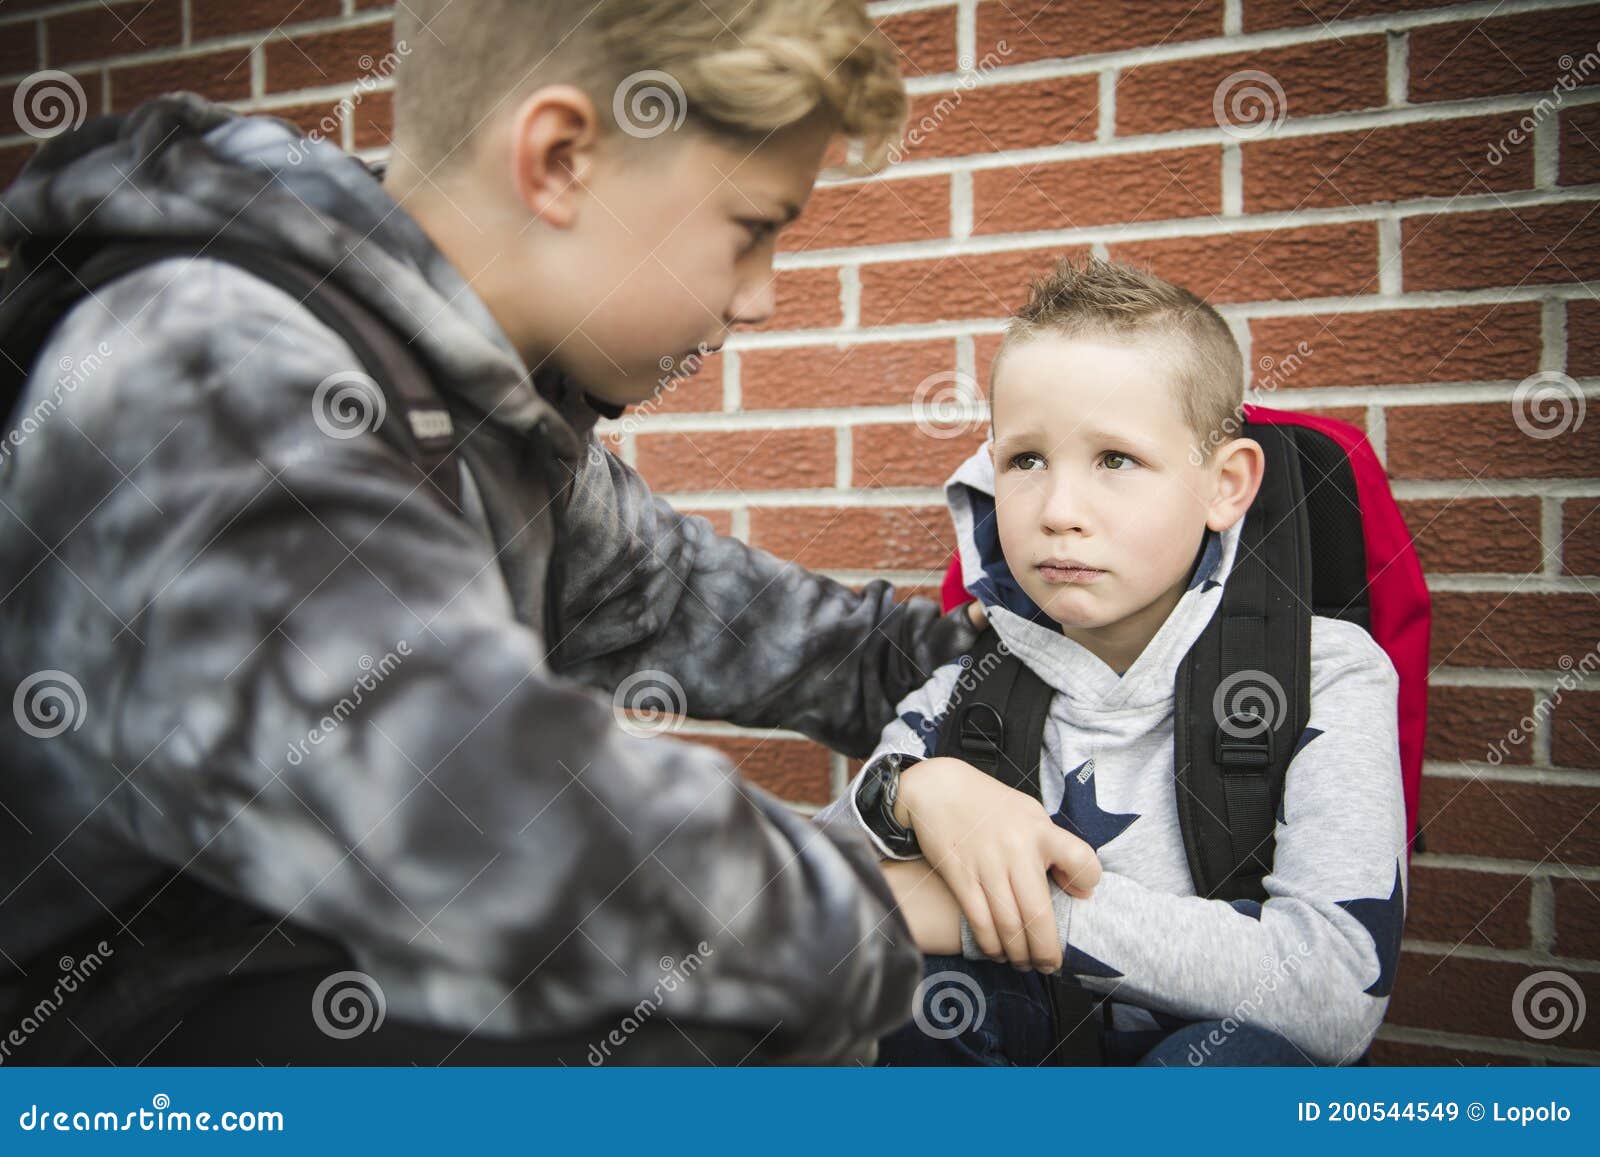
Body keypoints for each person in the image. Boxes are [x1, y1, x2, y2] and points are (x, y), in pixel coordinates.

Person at [0, 0, 982, 1065]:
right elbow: (475, 809)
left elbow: (781, 631)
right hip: (100, 1058)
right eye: (752, 229)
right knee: (723, 1012)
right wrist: (880, 908)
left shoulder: (500, 432)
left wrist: (1057, 680)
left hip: (307, 996)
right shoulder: (199, 364)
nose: (759, 301)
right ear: (560, 158)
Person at [822, 257, 1408, 1066]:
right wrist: (914, 789)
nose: (1060, 512)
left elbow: (1334, 990)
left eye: (1115, 460)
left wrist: (992, 912)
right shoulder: (965, 682)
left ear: (1225, 484)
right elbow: (815, 896)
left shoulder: (1327, 674)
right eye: (1027, 461)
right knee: (911, 1001)